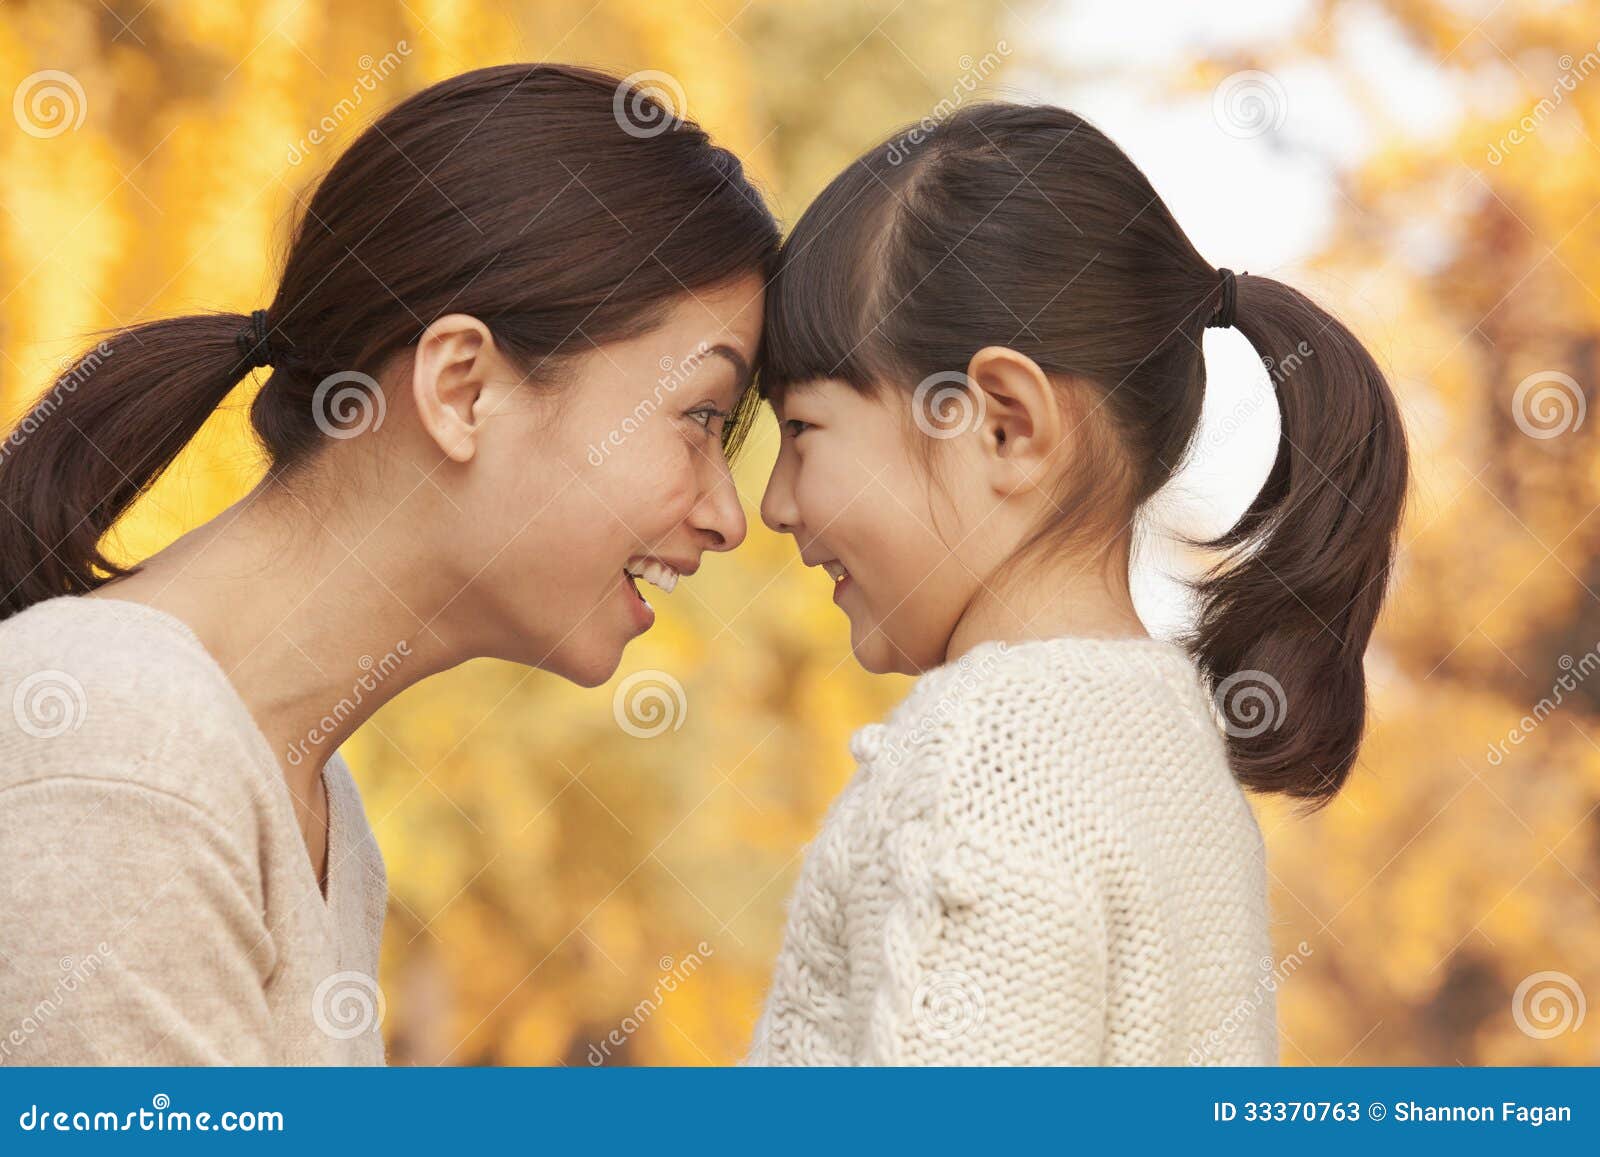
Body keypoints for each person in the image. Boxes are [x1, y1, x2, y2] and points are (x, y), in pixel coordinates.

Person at [0, 63, 777, 1065]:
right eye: (701, 417)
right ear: (462, 387)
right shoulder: (125, 746)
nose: (727, 515)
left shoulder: (318, 813)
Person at [749, 101, 1408, 1064]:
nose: (774, 502)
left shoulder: (980, 763)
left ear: (1003, 425)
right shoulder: (1178, 759)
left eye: (801, 430)